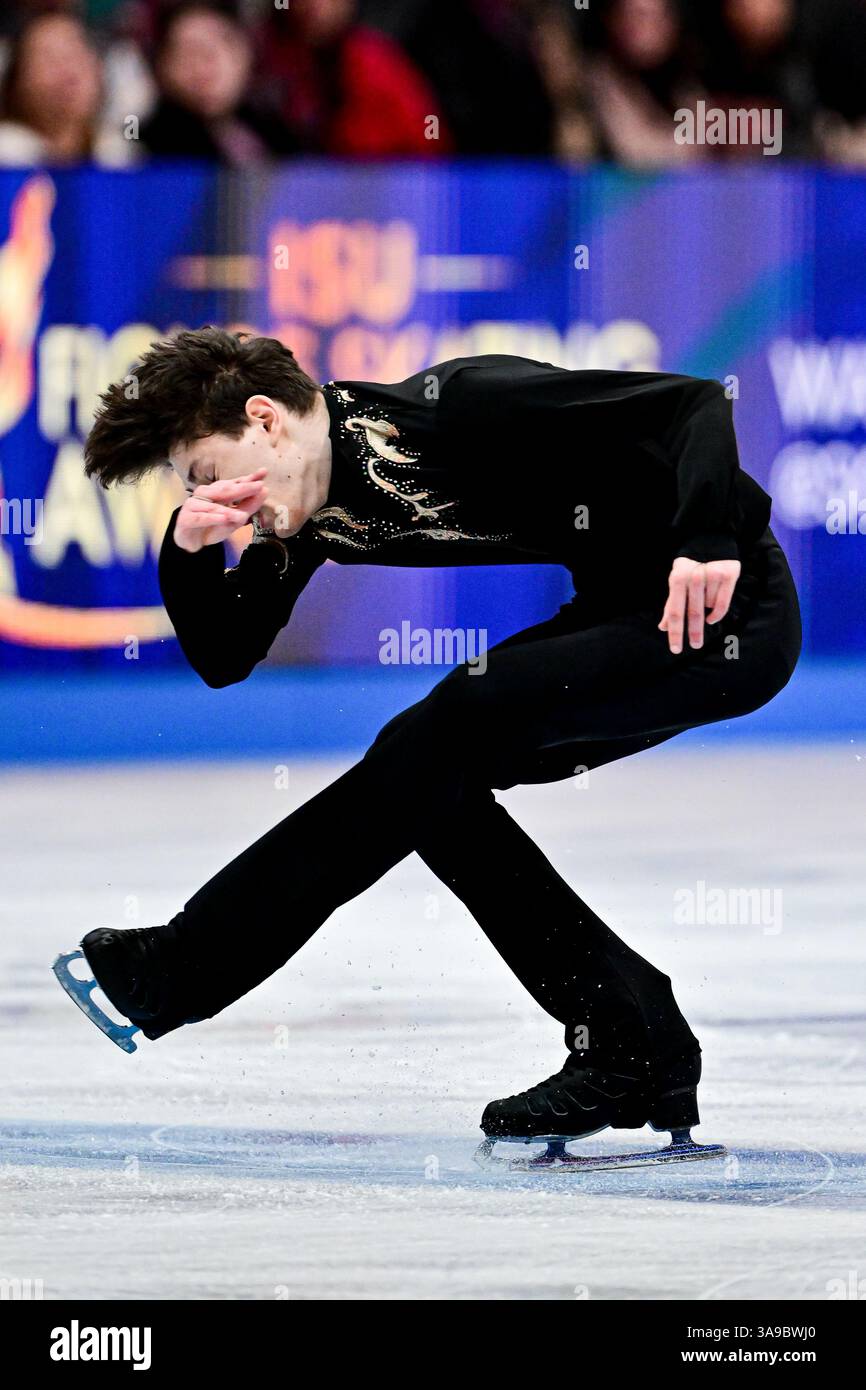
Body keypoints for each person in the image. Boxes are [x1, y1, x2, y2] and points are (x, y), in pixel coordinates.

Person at [65, 327, 801, 1156]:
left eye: (205, 475)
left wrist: (705, 540)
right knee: (426, 787)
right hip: (620, 614)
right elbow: (224, 657)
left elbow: (695, 404)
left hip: (719, 614)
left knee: (432, 738)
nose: (212, 500)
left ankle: (179, 967)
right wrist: (189, 551)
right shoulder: (304, 520)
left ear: (265, 421)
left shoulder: (459, 405)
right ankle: (626, 1037)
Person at [140, 3, 300, 164]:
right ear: (161, 67)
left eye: (217, 44)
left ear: (245, 52)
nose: (202, 65)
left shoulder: (280, 131)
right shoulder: (144, 150)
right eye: (186, 51)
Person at [0, 11, 134, 168]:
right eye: (48, 57)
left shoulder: (118, 155)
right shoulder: (8, 156)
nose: (66, 71)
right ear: (17, 80)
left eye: (75, 52)